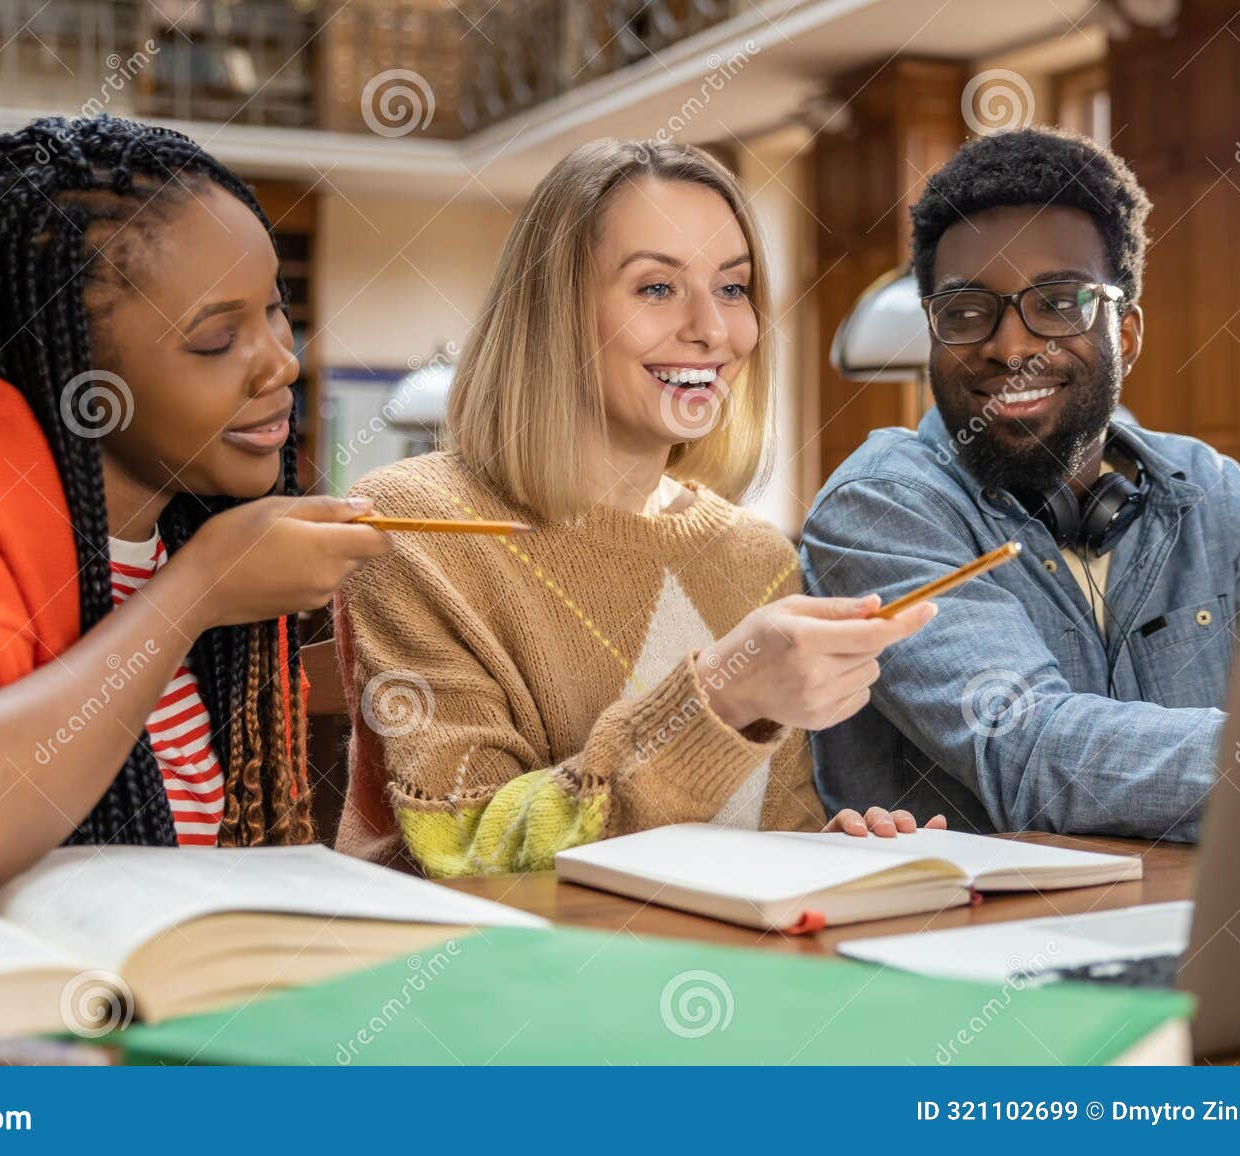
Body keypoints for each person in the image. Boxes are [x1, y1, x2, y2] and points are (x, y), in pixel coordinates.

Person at [0, 116, 389, 905]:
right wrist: (198, 590)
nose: (283, 360)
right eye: (217, 338)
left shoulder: (189, 510)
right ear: (69, 364)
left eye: (274, 310)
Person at [334, 139, 942, 877]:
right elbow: (468, 851)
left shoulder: (758, 558)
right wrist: (714, 696)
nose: (713, 331)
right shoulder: (418, 524)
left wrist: (817, 853)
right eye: (657, 288)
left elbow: (761, 829)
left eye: (732, 288)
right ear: (553, 313)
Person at [803, 127, 1240, 841]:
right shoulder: (880, 509)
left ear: (1128, 334)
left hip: (1212, 930)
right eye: (964, 311)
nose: (1010, 347)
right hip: (961, 945)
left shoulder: (1212, 492)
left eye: (1057, 303)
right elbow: (1029, 751)